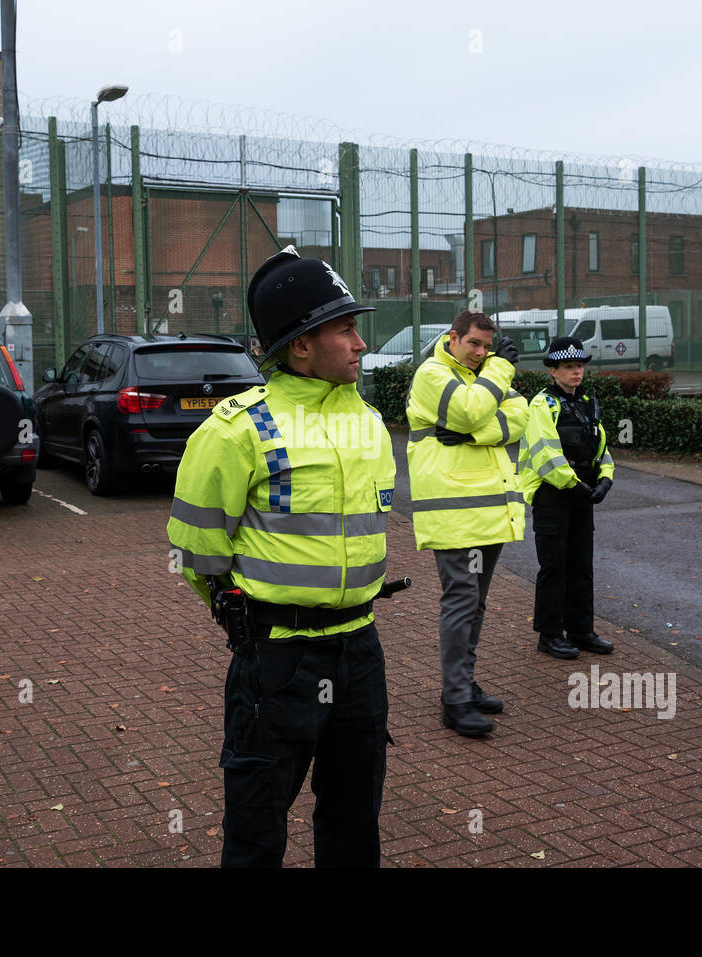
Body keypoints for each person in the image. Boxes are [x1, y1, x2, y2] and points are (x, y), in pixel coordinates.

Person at [166, 246, 396, 868]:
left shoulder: (371, 424)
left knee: (355, 822)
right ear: (301, 345)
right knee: (257, 827)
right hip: (277, 660)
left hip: (360, 652)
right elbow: (196, 550)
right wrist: (238, 617)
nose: (360, 344)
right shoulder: (235, 429)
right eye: (345, 329)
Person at [405, 311, 527, 737]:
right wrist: (501, 368)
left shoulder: (481, 375)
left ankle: (465, 685)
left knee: (473, 604)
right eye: (474, 344)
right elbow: (469, 410)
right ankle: (454, 699)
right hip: (455, 514)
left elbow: (520, 415)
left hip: (487, 512)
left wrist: (475, 435)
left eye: (487, 347)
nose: (480, 353)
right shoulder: (432, 374)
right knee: (460, 602)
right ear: (452, 336)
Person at [518, 335, 616, 660]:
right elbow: (546, 454)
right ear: (553, 371)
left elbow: (601, 448)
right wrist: (575, 486)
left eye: (580, 366)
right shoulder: (542, 405)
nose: (576, 372)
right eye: (569, 367)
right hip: (552, 496)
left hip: (581, 495)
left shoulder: (588, 402)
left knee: (581, 565)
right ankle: (549, 635)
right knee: (554, 566)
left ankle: (580, 630)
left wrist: (605, 480)